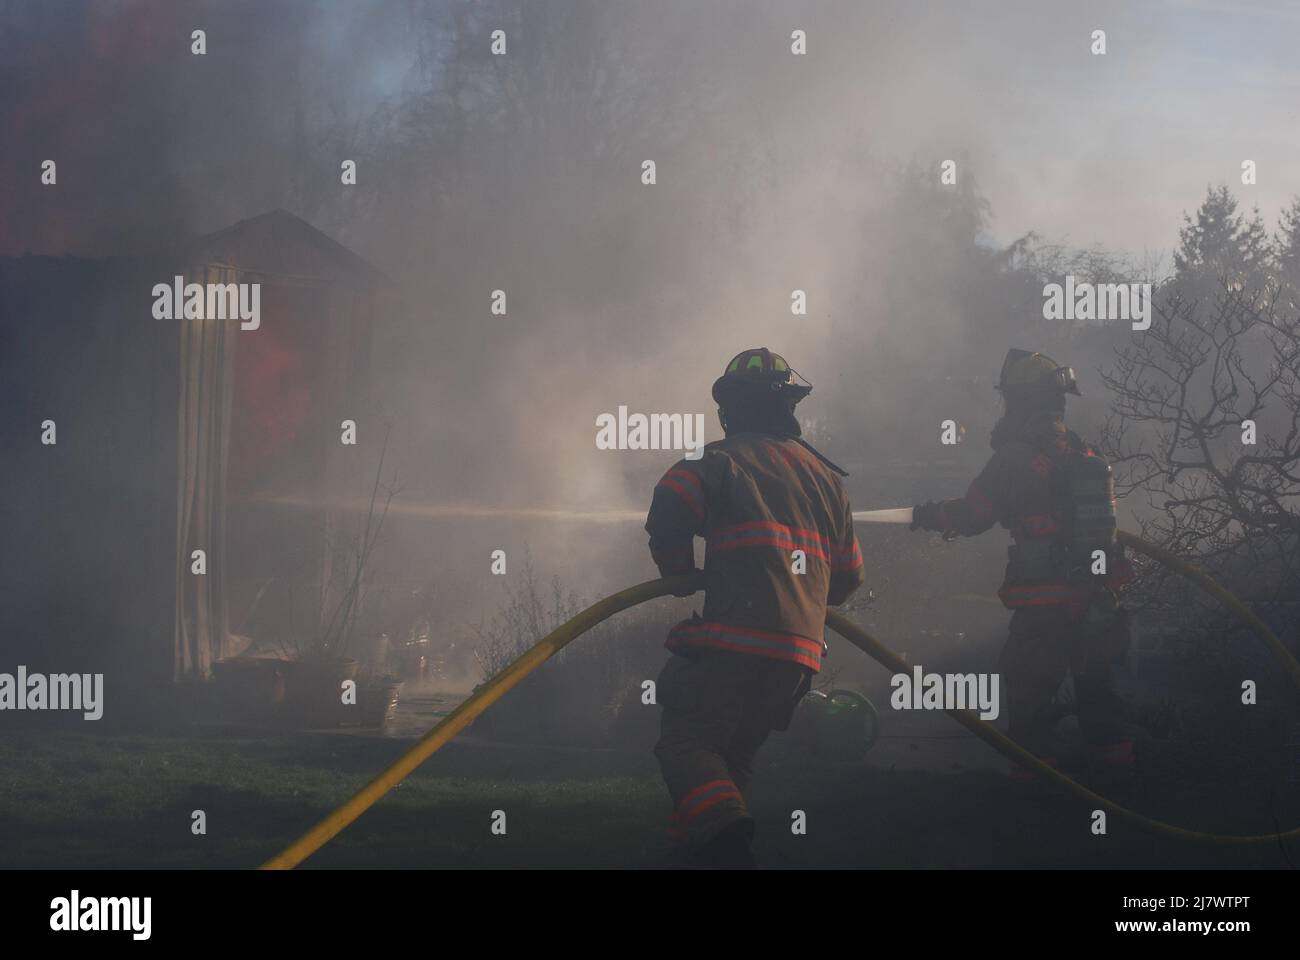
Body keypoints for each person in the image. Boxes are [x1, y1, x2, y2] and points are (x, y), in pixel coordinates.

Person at [644, 348, 864, 866]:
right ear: (789, 405)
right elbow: (848, 580)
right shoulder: (828, 480)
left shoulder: (715, 459)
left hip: (732, 641)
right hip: (799, 654)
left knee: (686, 745)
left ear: (731, 410)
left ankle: (730, 851)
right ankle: (702, 851)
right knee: (730, 758)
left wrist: (678, 571)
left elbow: (671, 504)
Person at [910, 349, 1135, 780]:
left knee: (1031, 698)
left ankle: (1036, 795)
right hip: (1096, 602)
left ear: (1020, 401)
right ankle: (1119, 786)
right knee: (1100, 695)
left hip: (1044, 602)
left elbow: (975, 514)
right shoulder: (1083, 452)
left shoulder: (1014, 458)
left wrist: (929, 515)